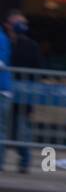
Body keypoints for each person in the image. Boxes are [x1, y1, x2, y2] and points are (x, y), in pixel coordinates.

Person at [0, 10, 41, 172]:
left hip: (21, 94)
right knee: (5, 129)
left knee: (20, 130)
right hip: (7, 89)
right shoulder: (4, 39)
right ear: (8, 24)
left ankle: (25, 162)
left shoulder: (30, 45)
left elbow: (36, 68)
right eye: (18, 22)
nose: (21, 26)